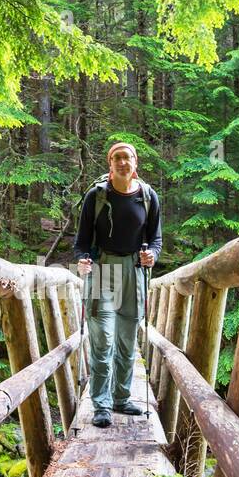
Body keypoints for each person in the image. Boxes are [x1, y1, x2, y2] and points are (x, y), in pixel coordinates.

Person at [73, 141, 162, 427]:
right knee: (103, 340)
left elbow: (156, 239)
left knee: (126, 341)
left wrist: (152, 255)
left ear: (136, 163)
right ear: (110, 164)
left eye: (128, 157)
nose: (123, 162)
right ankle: (102, 404)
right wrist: (83, 260)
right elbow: (81, 242)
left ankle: (122, 398)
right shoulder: (96, 196)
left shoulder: (148, 196)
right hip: (102, 270)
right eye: (117, 158)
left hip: (133, 272)